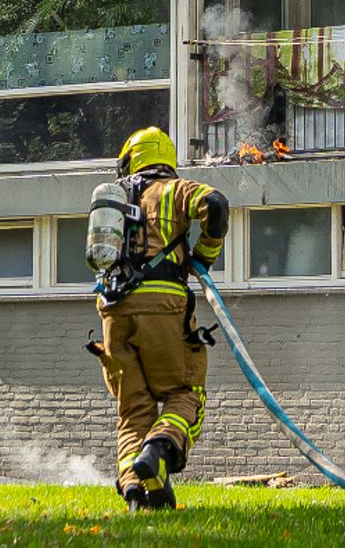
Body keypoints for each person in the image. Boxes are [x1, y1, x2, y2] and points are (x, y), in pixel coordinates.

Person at [92, 127, 229, 511]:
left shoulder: (114, 201)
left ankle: (139, 491)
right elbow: (215, 206)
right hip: (162, 307)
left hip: (113, 313)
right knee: (184, 394)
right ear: (165, 159)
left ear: (130, 160)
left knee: (133, 410)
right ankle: (158, 448)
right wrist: (204, 253)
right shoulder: (174, 189)